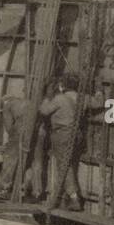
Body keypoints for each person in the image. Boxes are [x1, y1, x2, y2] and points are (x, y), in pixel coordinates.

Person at [38, 73, 104, 210]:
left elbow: (44, 111)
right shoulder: (82, 98)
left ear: (62, 86)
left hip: (62, 135)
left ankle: (74, 198)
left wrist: (47, 96)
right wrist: (98, 88)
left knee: (64, 166)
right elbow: (99, 102)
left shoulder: (59, 99)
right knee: (70, 165)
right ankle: (64, 197)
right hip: (78, 136)